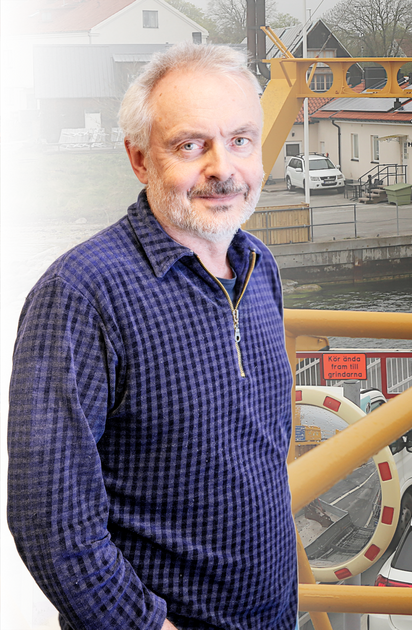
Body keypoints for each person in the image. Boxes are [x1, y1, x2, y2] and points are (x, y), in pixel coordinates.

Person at [7, 44, 296, 630]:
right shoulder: (82, 294)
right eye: (191, 145)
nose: (222, 167)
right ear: (139, 160)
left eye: (240, 140)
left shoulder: (259, 267)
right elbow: (51, 518)